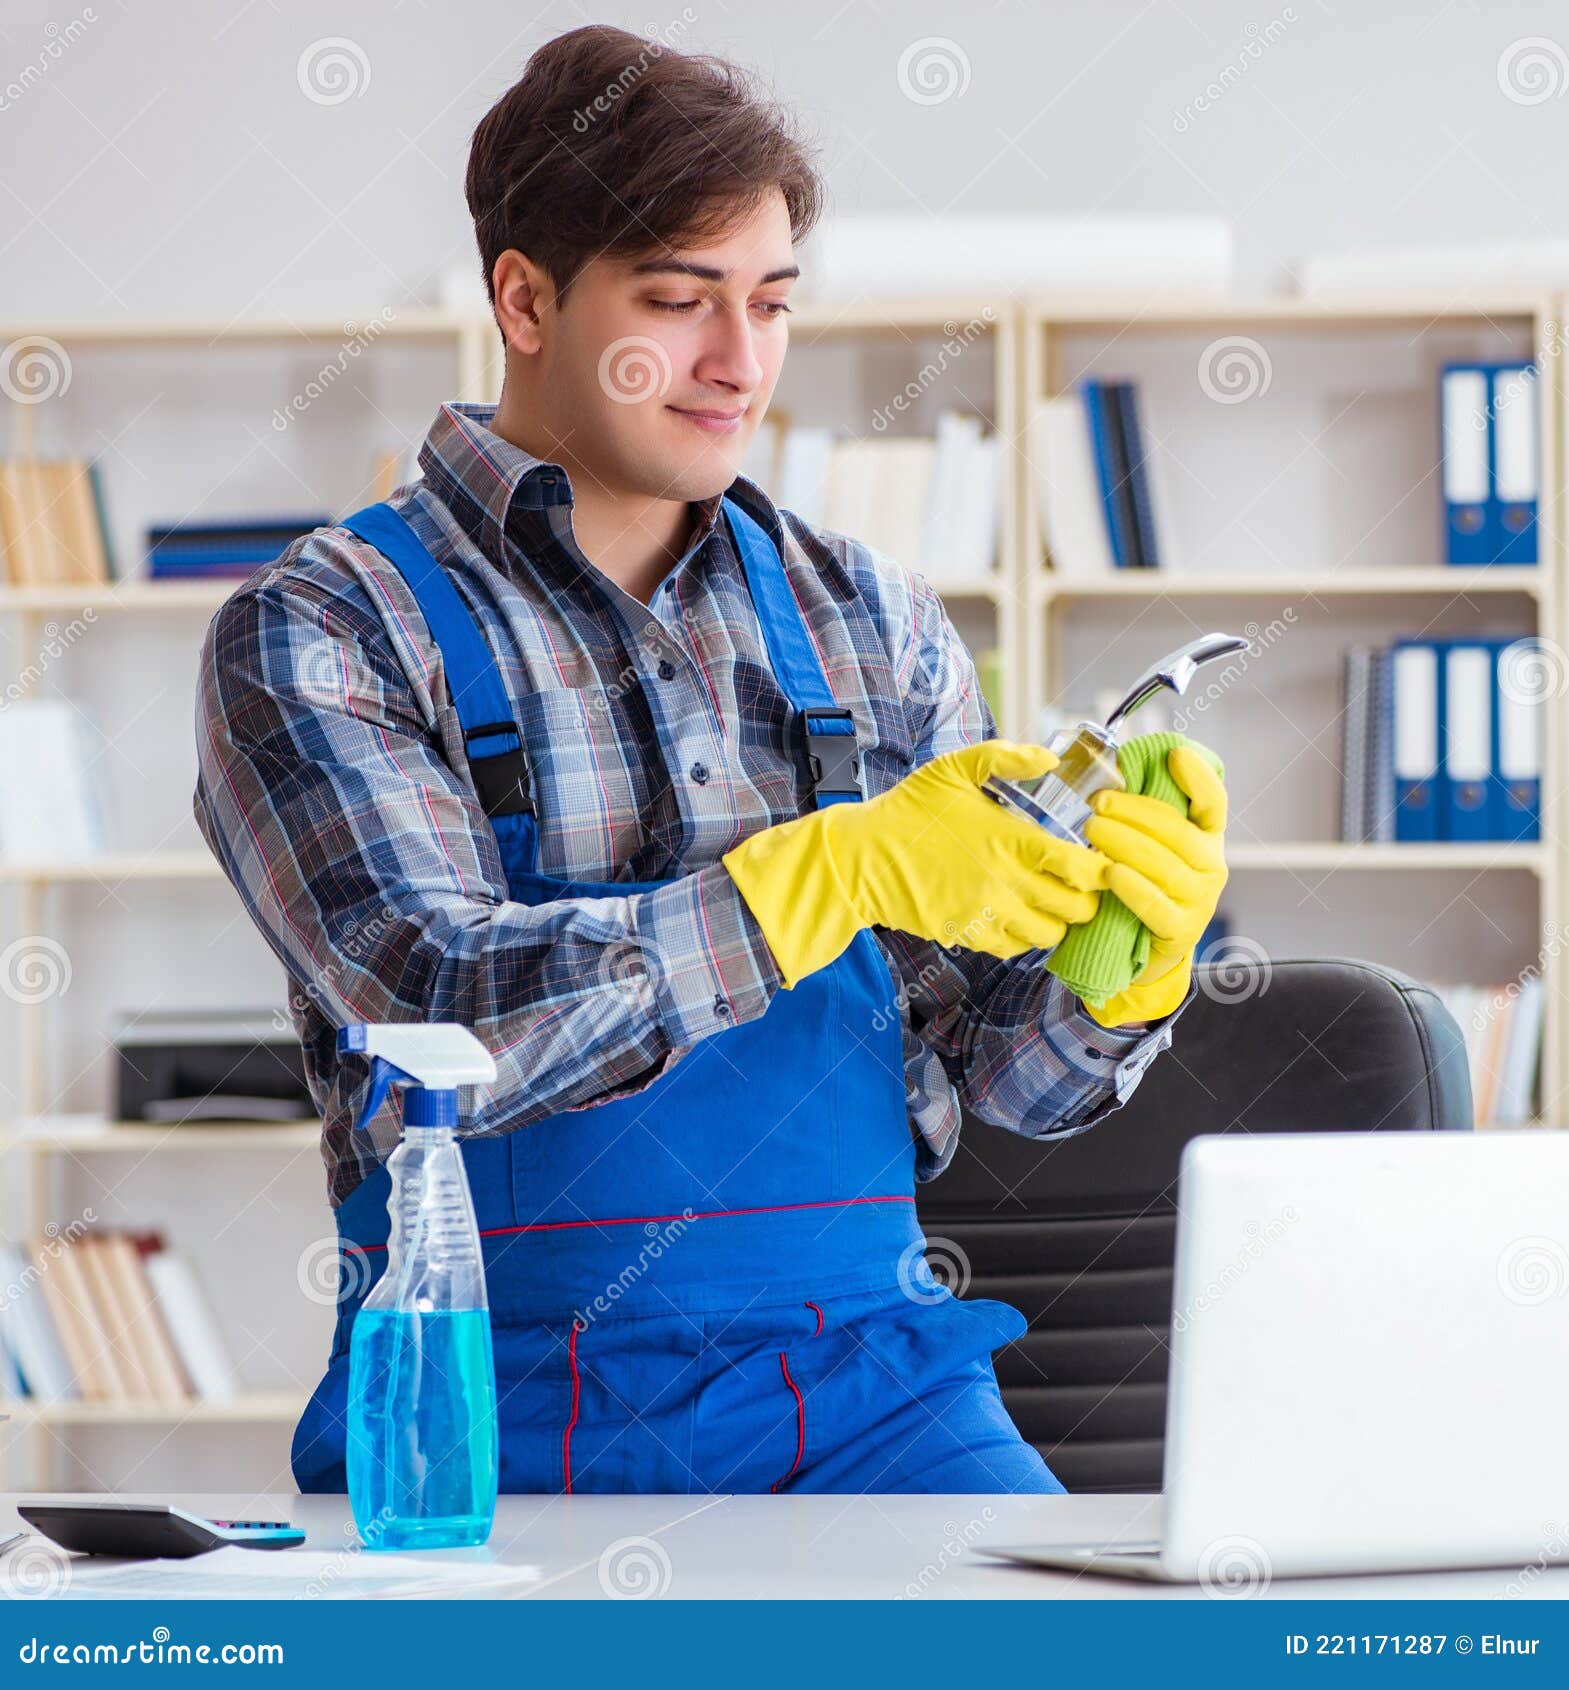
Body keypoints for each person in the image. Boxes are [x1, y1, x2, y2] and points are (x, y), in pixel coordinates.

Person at [193, 24, 1227, 1496]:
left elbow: (996, 1078)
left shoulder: (871, 620)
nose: (739, 362)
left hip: (880, 1398)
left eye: (772, 302)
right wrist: (813, 876)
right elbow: (434, 1020)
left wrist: (1121, 970)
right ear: (524, 297)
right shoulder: (325, 630)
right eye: (678, 301)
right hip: (499, 1410)